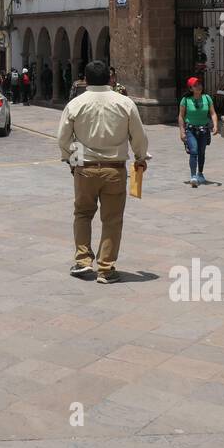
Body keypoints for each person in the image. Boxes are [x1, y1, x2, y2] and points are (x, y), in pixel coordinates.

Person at [58, 60, 149, 284]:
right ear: (110, 78)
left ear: (85, 80)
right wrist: (140, 157)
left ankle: (82, 260)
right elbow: (139, 137)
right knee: (112, 219)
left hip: (84, 168)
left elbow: (63, 139)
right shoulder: (125, 103)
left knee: (82, 214)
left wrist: (71, 159)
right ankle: (106, 268)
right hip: (114, 169)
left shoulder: (76, 104)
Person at [179, 75, 220, 187]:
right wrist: (182, 131)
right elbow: (181, 116)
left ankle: (200, 173)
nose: (198, 86)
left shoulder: (207, 98)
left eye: (199, 84)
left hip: (204, 130)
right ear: (190, 88)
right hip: (190, 129)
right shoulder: (186, 100)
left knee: (202, 153)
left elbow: (213, 113)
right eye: (195, 85)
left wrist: (215, 125)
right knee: (194, 151)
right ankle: (193, 176)